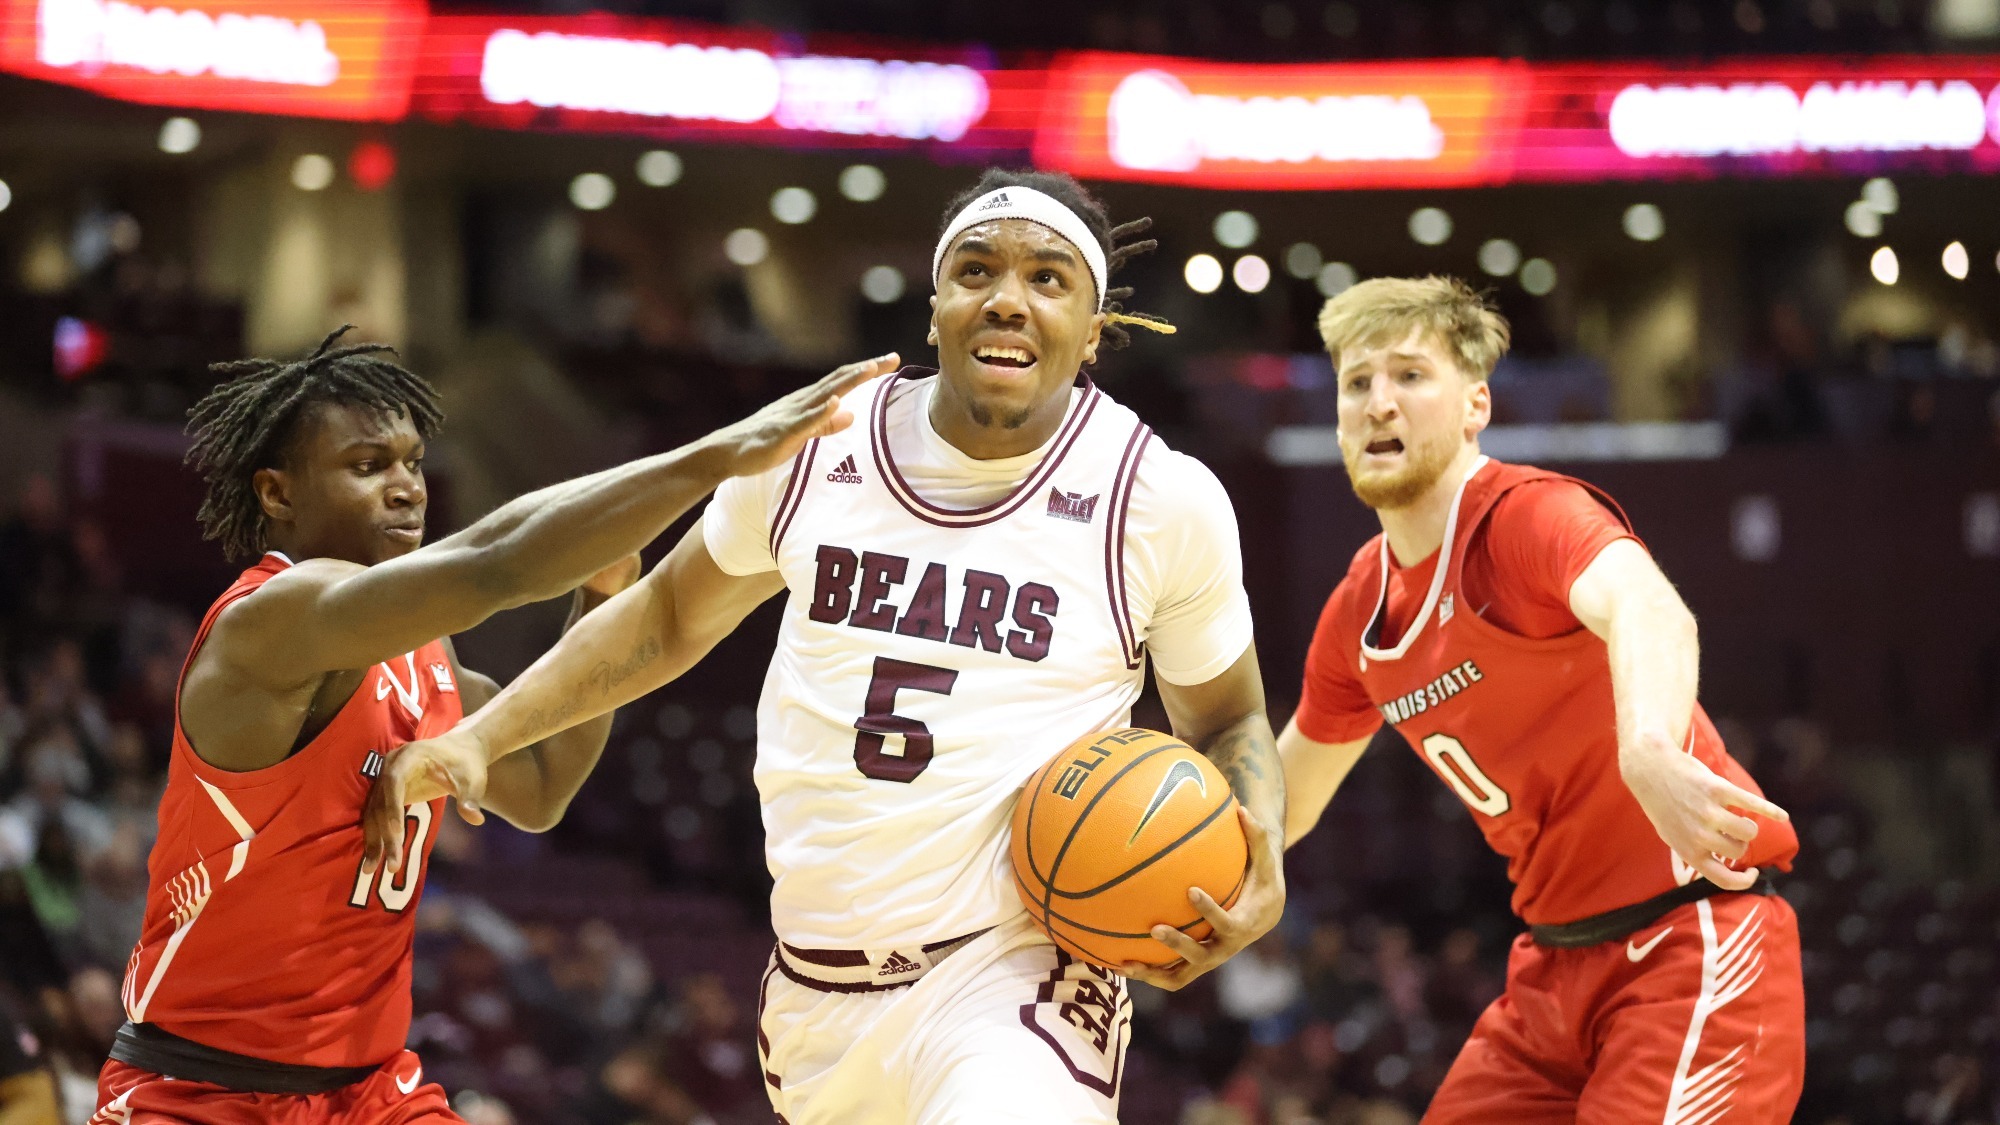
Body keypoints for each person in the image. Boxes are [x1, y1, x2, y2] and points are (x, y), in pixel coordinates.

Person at [374, 170, 1289, 1125]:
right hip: (817, 987)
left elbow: (1227, 718)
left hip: (1017, 972)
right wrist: (484, 735)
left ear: (1094, 329)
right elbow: (665, 617)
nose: (1008, 298)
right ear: (935, 308)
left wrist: (1256, 841)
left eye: (1050, 279)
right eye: (976, 271)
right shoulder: (823, 441)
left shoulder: (1159, 498)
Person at [94, 329, 886, 1123]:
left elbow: (542, 787)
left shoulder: (421, 650)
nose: (407, 486)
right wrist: (721, 453)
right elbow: (494, 561)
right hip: (200, 1089)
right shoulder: (266, 623)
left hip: (369, 1093)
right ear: (278, 493)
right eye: (368, 466)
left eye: (411, 461)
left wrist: (600, 601)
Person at [1280, 277, 1805, 1123]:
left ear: (1475, 404)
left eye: (1410, 376)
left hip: (1689, 944)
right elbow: (1278, 804)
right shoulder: (1357, 612)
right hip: (1550, 975)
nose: (1380, 403)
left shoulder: (1524, 518)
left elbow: (1648, 604)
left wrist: (1648, 748)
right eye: (1357, 382)